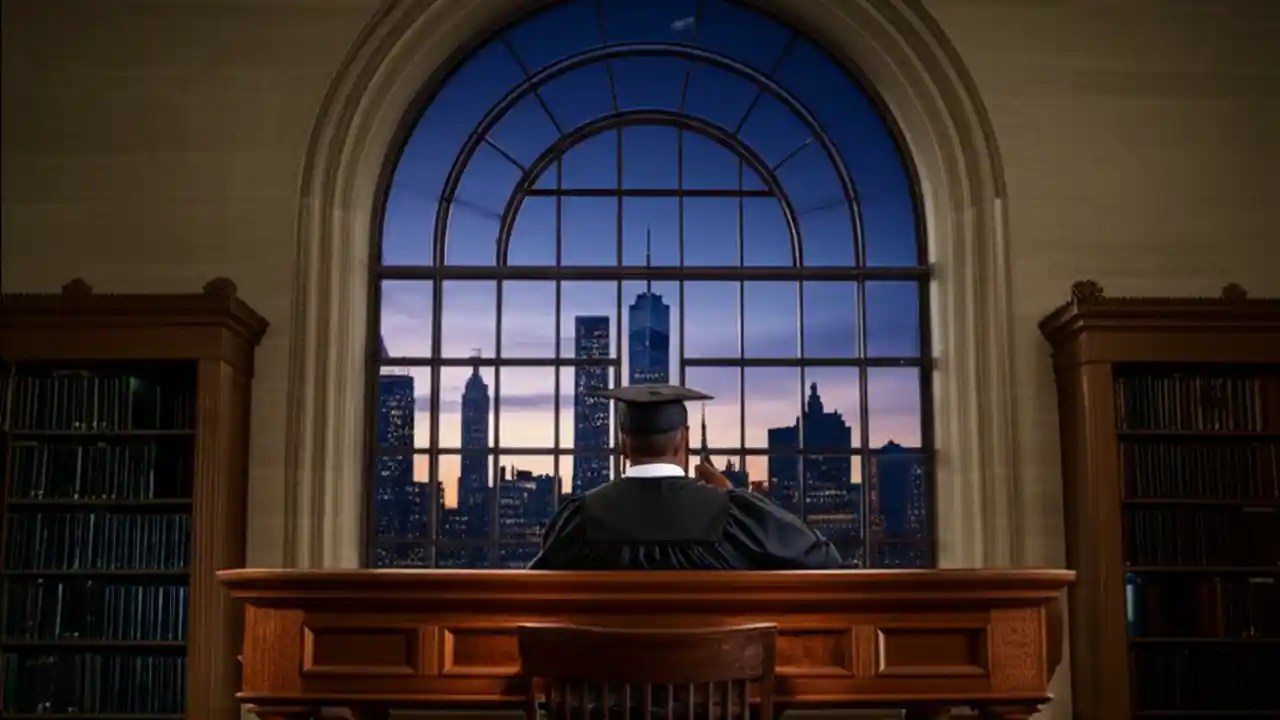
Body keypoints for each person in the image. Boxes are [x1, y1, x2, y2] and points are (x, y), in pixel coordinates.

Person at [528, 384, 843, 570]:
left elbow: (537, 586)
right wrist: (732, 494)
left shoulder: (580, 516)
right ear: (684, 440)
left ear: (623, 444)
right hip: (720, 680)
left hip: (605, 681)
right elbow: (825, 559)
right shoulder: (733, 514)